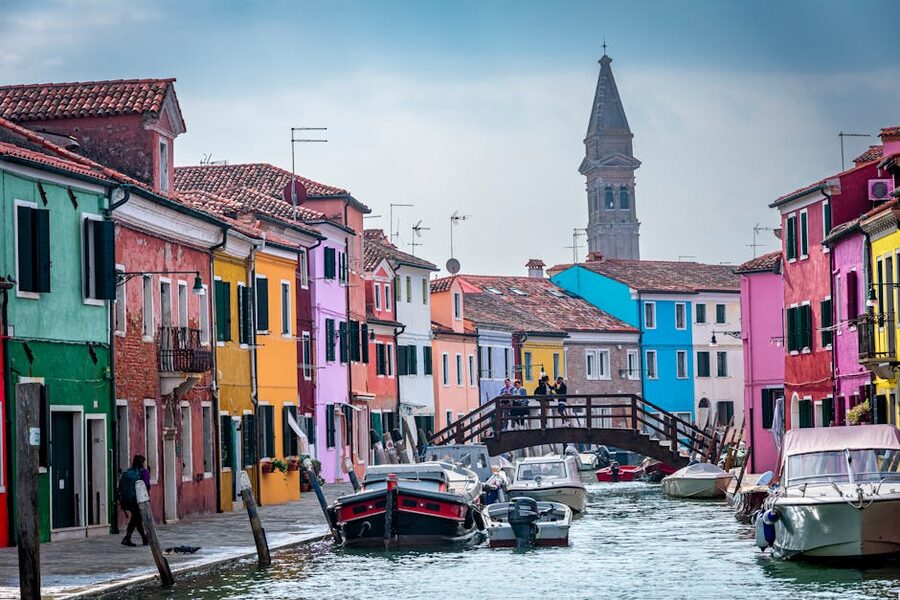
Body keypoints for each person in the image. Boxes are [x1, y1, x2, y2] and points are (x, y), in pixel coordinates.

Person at [118, 454, 151, 547]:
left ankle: (143, 538)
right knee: (136, 518)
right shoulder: (143, 472)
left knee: (137, 519)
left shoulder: (129, 472)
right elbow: (146, 485)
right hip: (138, 500)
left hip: (128, 500)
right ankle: (128, 538)